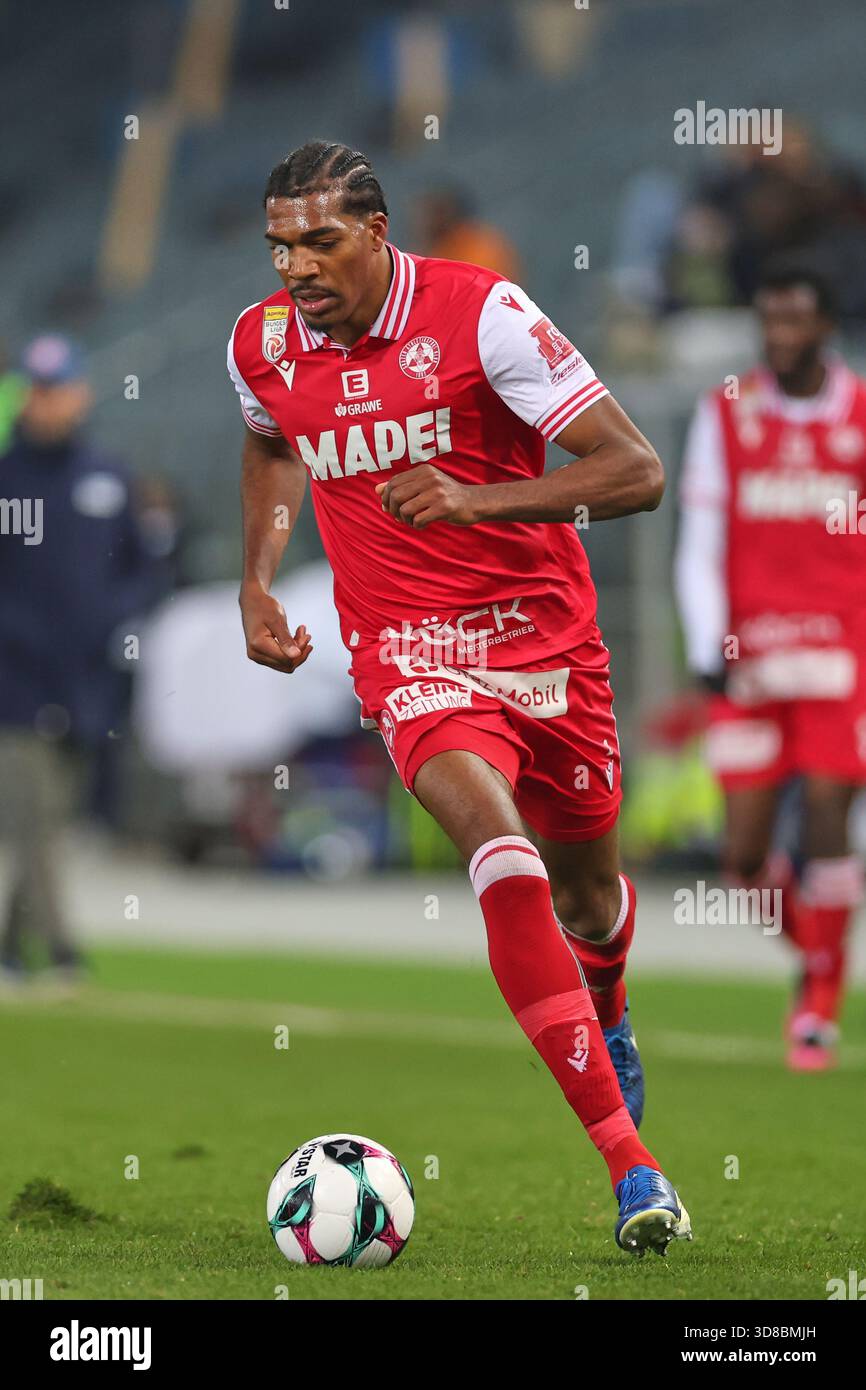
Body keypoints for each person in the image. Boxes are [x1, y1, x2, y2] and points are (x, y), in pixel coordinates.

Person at [227, 140, 691, 1256]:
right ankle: (632, 1168)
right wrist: (256, 574)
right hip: (406, 651)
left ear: (378, 235)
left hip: (546, 647)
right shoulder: (261, 344)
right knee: (499, 851)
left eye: (320, 241)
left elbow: (635, 471)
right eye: (279, 245)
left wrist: (483, 501)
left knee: (590, 892)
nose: (295, 266)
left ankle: (609, 1005)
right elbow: (269, 445)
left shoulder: (482, 315)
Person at [675, 263, 866, 1070]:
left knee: (828, 814)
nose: (782, 337)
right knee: (746, 857)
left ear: (825, 327)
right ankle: (816, 951)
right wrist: (704, 640)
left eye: (797, 322)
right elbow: (701, 537)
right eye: (771, 322)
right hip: (749, 656)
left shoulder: (860, 412)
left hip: (839, 655)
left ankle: (817, 1003)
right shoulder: (724, 413)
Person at [0, 336, 162, 982]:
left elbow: (146, 568)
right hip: (13, 680)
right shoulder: (5, 477)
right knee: (35, 815)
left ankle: (11, 947)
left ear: (80, 392)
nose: (48, 402)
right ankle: (63, 950)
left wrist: (112, 623)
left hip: (87, 680)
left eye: (58, 388)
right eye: (38, 390)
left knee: (52, 819)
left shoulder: (108, 477)